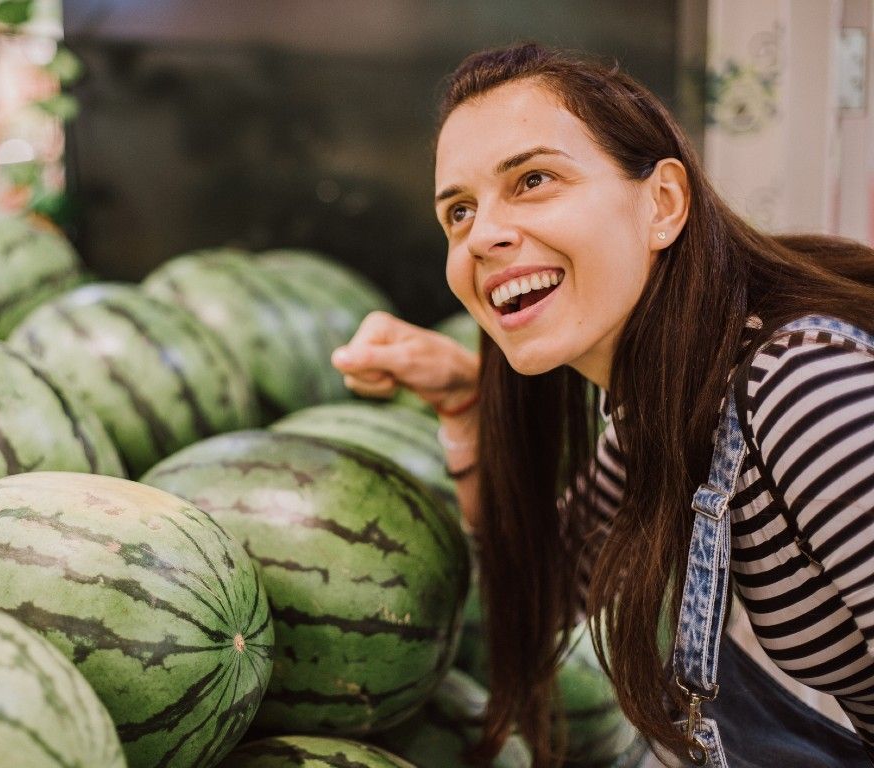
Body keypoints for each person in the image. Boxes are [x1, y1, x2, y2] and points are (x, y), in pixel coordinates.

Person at [331, 42, 874, 767]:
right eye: (458, 211)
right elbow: (547, 589)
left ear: (663, 204)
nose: (483, 234)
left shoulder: (801, 387)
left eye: (532, 179)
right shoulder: (665, 405)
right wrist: (466, 409)